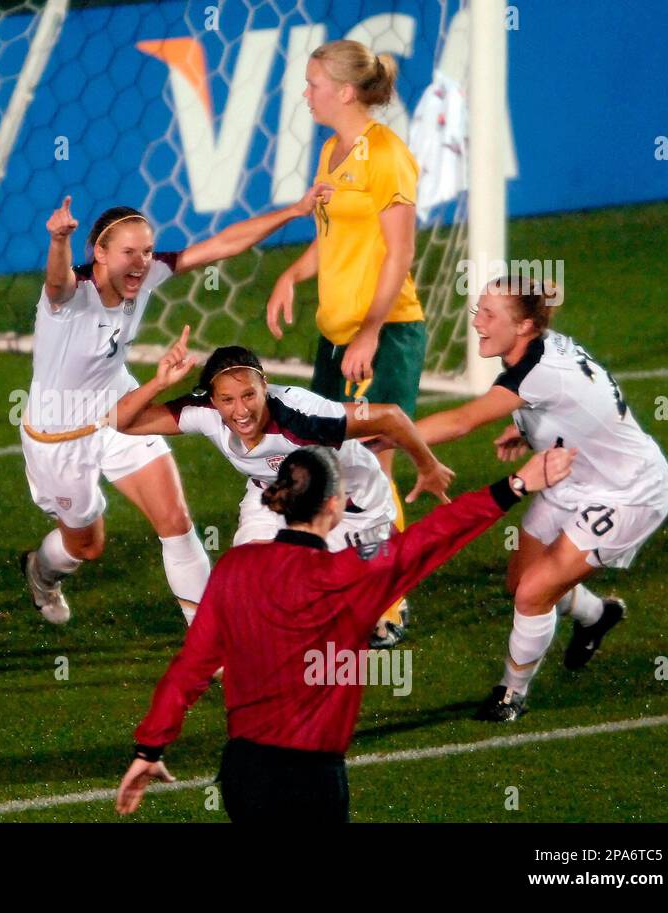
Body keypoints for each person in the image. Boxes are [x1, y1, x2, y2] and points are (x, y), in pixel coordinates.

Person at [115, 444, 576, 821]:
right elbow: (432, 535)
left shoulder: (235, 568)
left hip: (243, 773)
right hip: (313, 778)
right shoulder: (353, 571)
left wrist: (150, 746)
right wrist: (515, 485)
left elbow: (191, 668)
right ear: (334, 507)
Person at [20, 187, 330, 626]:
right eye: (129, 252)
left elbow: (220, 245)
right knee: (87, 546)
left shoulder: (146, 276)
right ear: (100, 253)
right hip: (59, 437)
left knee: (176, 520)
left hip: (122, 412)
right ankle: (41, 571)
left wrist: (296, 211)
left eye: (147, 250)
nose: (142, 261)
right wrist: (57, 240)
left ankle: (210, 642)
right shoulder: (70, 296)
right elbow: (55, 280)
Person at [406, 279, 668, 720]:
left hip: (628, 492)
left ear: (526, 324)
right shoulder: (540, 349)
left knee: (532, 594)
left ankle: (512, 693)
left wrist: (384, 438)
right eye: (479, 310)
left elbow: (459, 422)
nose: (477, 322)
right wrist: (528, 430)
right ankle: (597, 614)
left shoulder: (539, 371)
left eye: (491, 315)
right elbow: (575, 404)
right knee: (522, 584)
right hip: (567, 471)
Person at [111, 334, 453, 646]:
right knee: (249, 576)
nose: (241, 411)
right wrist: (159, 382)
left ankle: (385, 598)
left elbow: (391, 415)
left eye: (249, 395)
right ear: (213, 401)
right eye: (227, 400)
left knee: (348, 593)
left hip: (348, 500)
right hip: (274, 497)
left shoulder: (302, 415)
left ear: (265, 385)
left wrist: (428, 466)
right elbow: (121, 421)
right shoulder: (205, 414)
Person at [265, 39, 425, 641]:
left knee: (374, 465)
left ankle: (389, 605)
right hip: (336, 336)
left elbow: (400, 250)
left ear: (346, 91)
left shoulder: (388, 155)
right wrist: (292, 273)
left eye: (313, 84)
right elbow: (333, 240)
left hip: (385, 333)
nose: (305, 93)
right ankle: (347, 582)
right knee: (333, 462)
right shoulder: (332, 151)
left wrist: (372, 328)